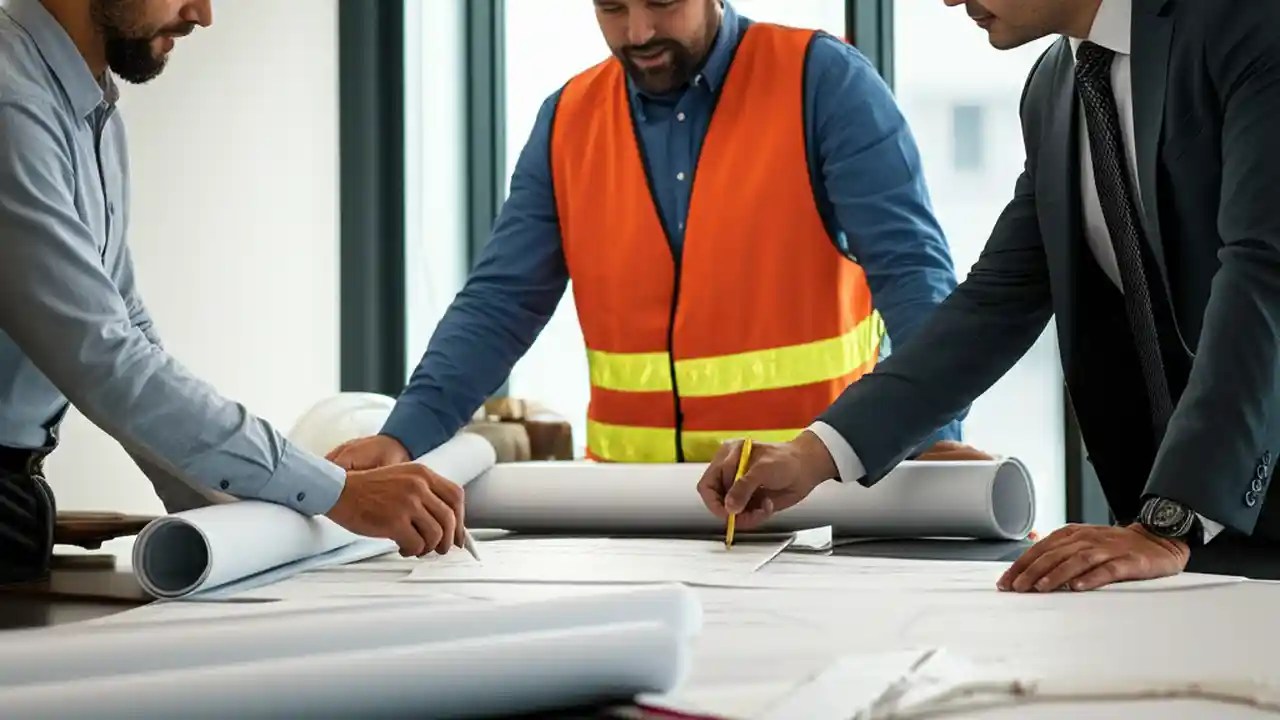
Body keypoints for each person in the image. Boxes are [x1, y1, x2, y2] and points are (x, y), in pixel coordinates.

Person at [697, 0, 1280, 591]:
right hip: (1179, 543)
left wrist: (1173, 518)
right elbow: (994, 302)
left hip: (1204, 512)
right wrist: (814, 453)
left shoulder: (1251, 25)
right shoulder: (1054, 86)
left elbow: (1265, 273)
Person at [328, 0, 986, 476]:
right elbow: (499, 304)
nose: (638, 32)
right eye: (612, 8)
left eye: (662, 3)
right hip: (634, 512)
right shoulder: (568, 120)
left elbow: (911, 271)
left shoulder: (822, 81)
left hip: (813, 499)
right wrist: (405, 437)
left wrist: (930, 434)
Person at [0, 0, 466, 585]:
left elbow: (128, 333)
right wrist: (334, 493)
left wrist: (242, 522)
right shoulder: (12, 102)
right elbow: (102, 357)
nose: (202, 13)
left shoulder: (91, 113)